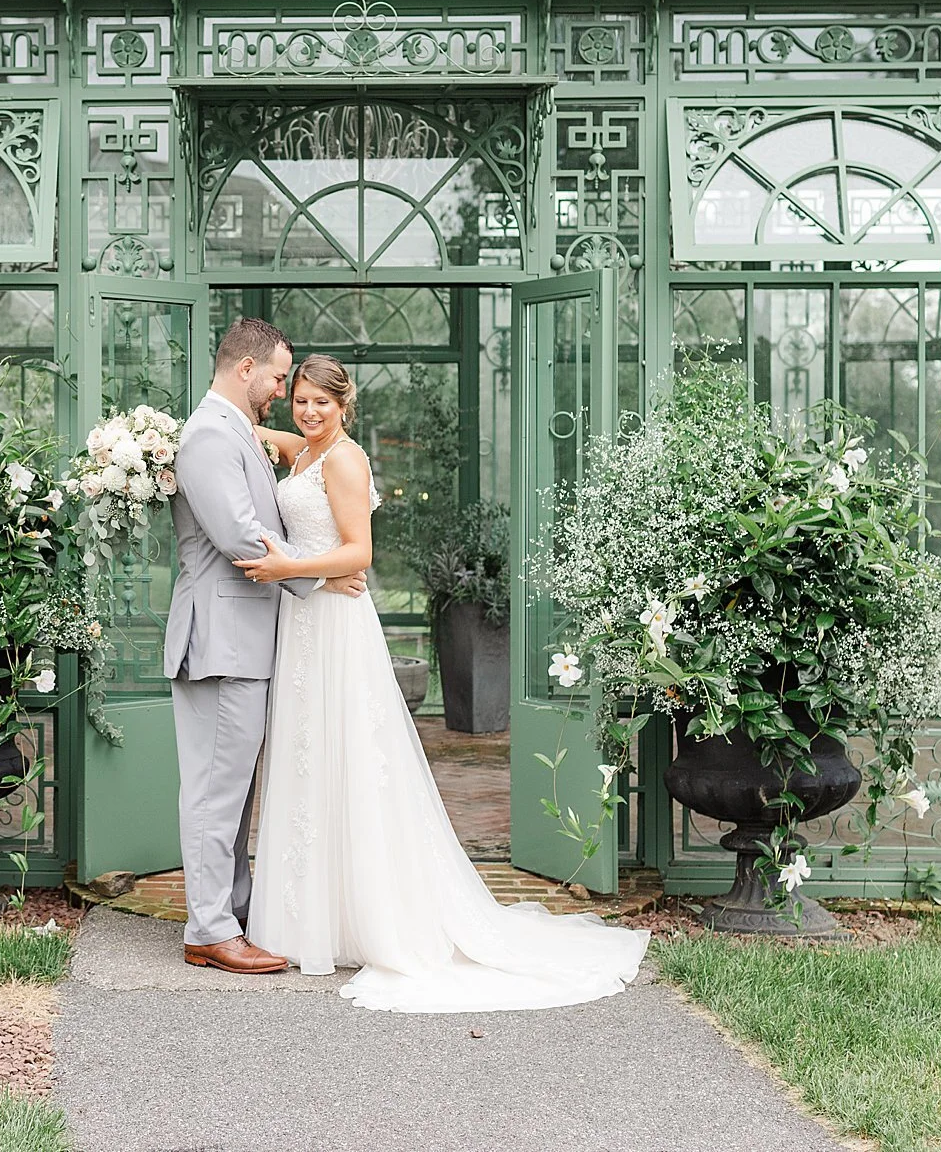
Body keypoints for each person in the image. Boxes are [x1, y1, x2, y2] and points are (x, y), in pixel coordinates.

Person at [230, 354, 651, 1012]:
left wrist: (293, 566)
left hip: (336, 624)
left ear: (347, 405)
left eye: (322, 403)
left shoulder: (343, 459)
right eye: (300, 400)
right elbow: (263, 437)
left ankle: (373, 916)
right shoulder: (305, 448)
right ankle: (312, 915)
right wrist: (230, 425)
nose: (308, 412)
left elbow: (360, 553)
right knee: (311, 760)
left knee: (353, 761)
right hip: (305, 625)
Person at [163, 319, 366, 975]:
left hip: (249, 639)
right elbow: (243, 538)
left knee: (236, 790)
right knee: (214, 791)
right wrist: (326, 574)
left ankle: (235, 910)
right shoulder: (206, 436)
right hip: (221, 639)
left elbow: (296, 458)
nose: (285, 390)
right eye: (280, 377)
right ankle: (210, 928)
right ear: (246, 369)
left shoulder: (234, 428)